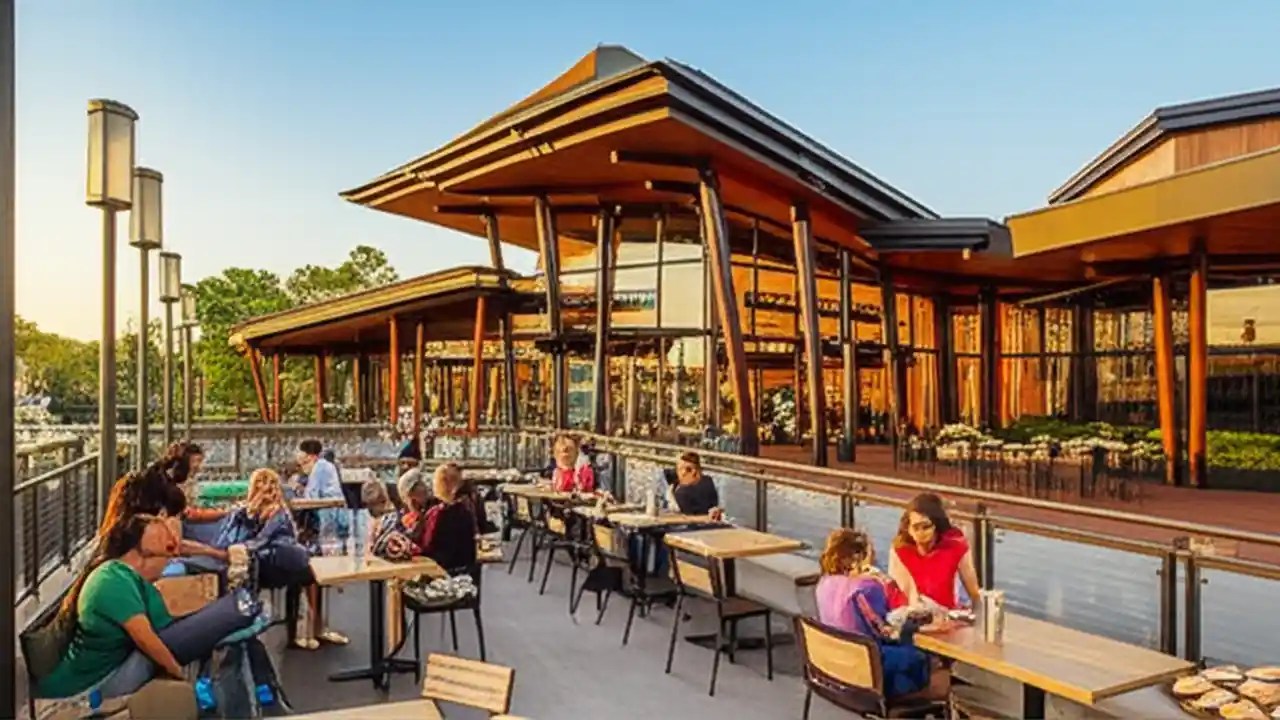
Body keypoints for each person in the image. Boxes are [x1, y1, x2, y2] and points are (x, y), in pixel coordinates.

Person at [40, 514, 259, 699]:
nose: (169, 562)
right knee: (159, 653)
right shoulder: (113, 583)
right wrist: (180, 677)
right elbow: (147, 641)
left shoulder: (122, 576)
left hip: (110, 669)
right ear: (142, 556)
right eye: (166, 556)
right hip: (94, 685)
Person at [815, 528, 947, 701]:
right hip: (869, 673)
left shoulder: (824, 584)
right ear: (857, 558)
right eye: (871, 555)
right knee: (931, 664)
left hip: (841, 667)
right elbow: (886, 631)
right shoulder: (866, 588)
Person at [888, 493, 981, 610]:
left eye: (925, 526)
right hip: (909, 614)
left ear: (936, 525)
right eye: (916, 527)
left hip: (946, 615)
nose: (920, 533)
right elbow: (909, 596)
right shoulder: (900, 549)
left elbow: (974, 594)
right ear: (908, 528)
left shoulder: (956, 545)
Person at [417, 463, 478, 572]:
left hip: (440, 569)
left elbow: (427, 545)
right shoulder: (466, 509)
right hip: (464, 568)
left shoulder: (438, 513)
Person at [668, 452, 723, 520]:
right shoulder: (708, 481)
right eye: (678, 469)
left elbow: (688, 517)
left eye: (686, 469)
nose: (681, 472)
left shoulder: (682, 492)